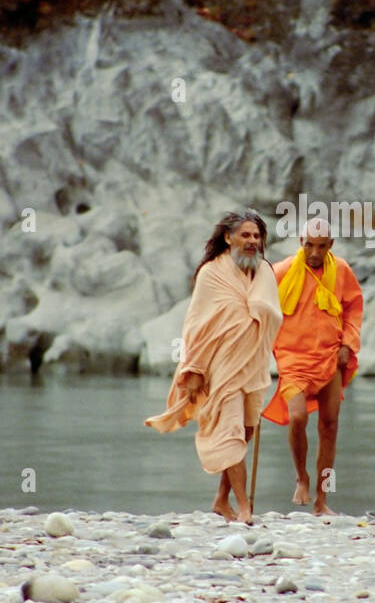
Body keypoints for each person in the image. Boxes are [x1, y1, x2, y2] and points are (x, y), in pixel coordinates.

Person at [145, 211, 282, 524]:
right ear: (228, 238)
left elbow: (275, 315)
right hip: (221, 368)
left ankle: (221, 499)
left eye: (256, 237)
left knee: (244, 432)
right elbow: (195, 324)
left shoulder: (264, 272)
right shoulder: (211, 273)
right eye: (245, 235)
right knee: (231, 432)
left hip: (254, 366)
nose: (252, 242)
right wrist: (192, 369)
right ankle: (245, 507)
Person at [261, 217, 363, 515]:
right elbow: (261, 306)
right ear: (301, 243)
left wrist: (347, 345)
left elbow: (353, 309)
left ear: (330, 245)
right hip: (292, 358)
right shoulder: (280, 271)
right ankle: (301, 477)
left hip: (329, 357)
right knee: (297, 418)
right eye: (309, 245)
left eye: (321, 246)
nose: (315, 252)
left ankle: (322, 501)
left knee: (330, 427)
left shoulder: (341, 270)